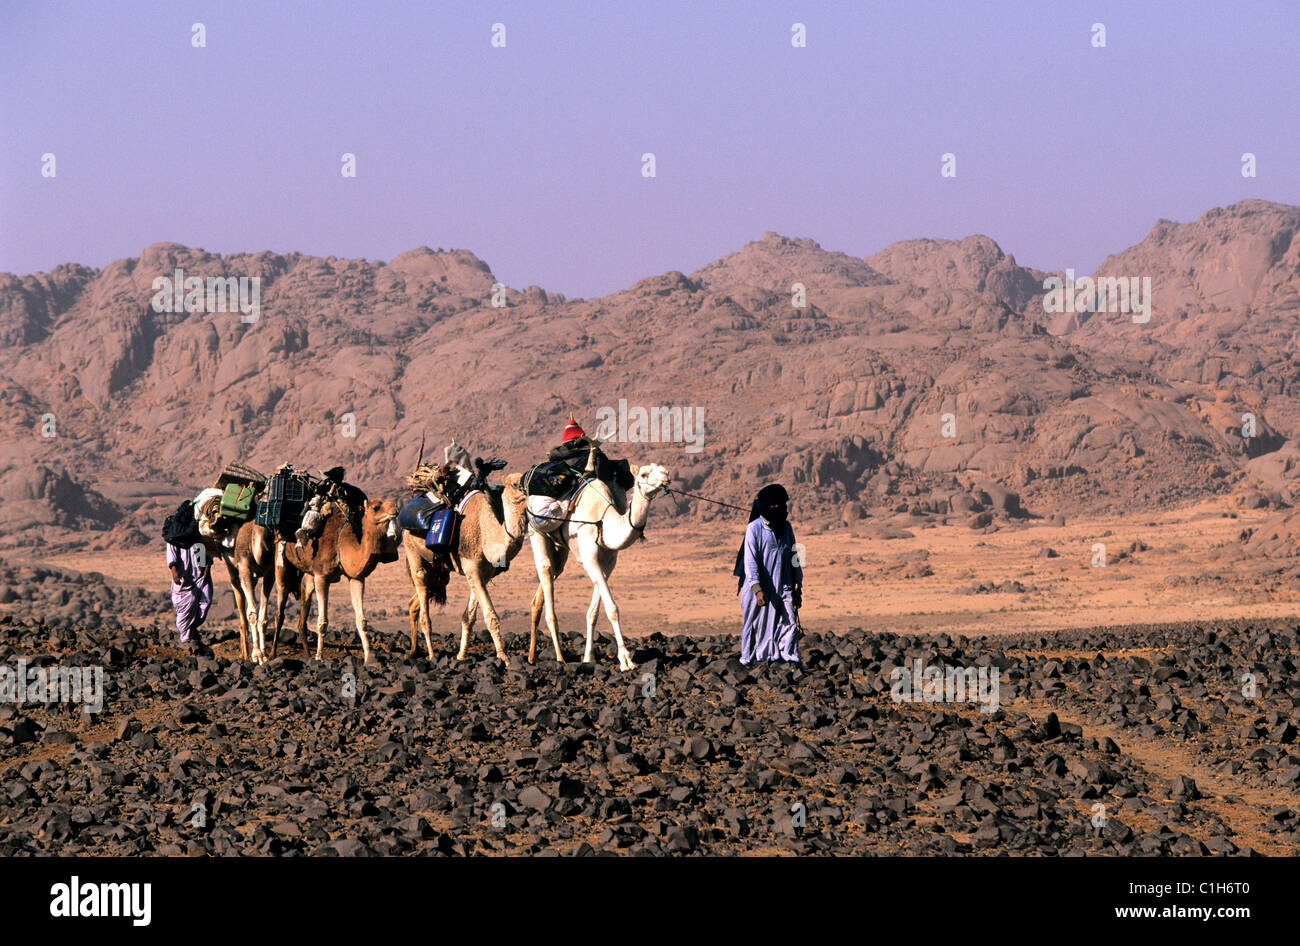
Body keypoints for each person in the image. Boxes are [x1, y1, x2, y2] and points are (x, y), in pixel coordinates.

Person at [733, 483, 803, 664]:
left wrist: (798, 585)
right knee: (754, 624)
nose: (777, 508)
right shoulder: (754, 529)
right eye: (772, 505)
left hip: (784, 584)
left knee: (789, 622)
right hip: (759, 587)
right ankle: (748, 660)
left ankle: (788, 658)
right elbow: (750, 561)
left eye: (780, 505)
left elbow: (795, 556)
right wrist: (757, 589)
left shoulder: (786, 528)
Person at [167, 541, 213, 656]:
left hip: (201, 572)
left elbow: (206, 544)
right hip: (184, 574)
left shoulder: (198, 531)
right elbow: (171, 551)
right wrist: (174, 571)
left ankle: (192, 629)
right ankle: (186, 640)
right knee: (186, 605)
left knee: (206, 601)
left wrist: (208, 563)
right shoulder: (175, 534)